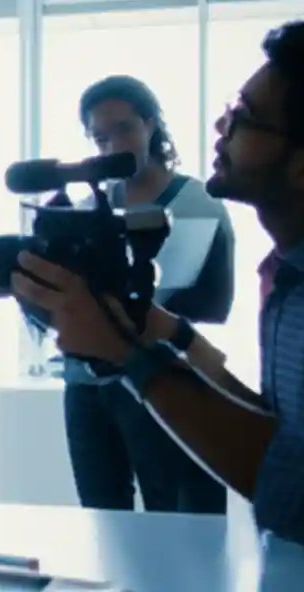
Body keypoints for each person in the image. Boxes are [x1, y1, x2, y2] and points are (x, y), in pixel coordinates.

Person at [11, 21, 304, 585]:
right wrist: (164, 333)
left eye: (245, 117)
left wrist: (129, 354)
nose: (220, 126)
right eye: (230, 107)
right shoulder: (298, 272)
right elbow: (287, 432)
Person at [62, 75, 234, 515]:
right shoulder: (88, 210)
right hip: (88, 385)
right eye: (100, 137)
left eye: (123, 129)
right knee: (101, 520)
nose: (112, 145)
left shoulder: (196, 203)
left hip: (160, 377)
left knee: (174, 515)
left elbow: (199, 304)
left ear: (150, 124)